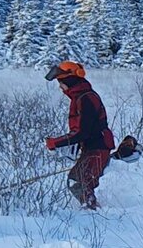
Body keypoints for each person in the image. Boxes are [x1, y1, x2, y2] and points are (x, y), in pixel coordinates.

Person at [45, 59, 112, 210]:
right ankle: (92, 209)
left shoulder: (86, 98)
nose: (60, 87)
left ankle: (94, 214)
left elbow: (82, 132)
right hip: (92, 147)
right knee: (79, 182)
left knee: (78, 182)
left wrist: (56, 143)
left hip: (98, 147)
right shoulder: (79, 97)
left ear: (70, 80)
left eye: (61, 82)